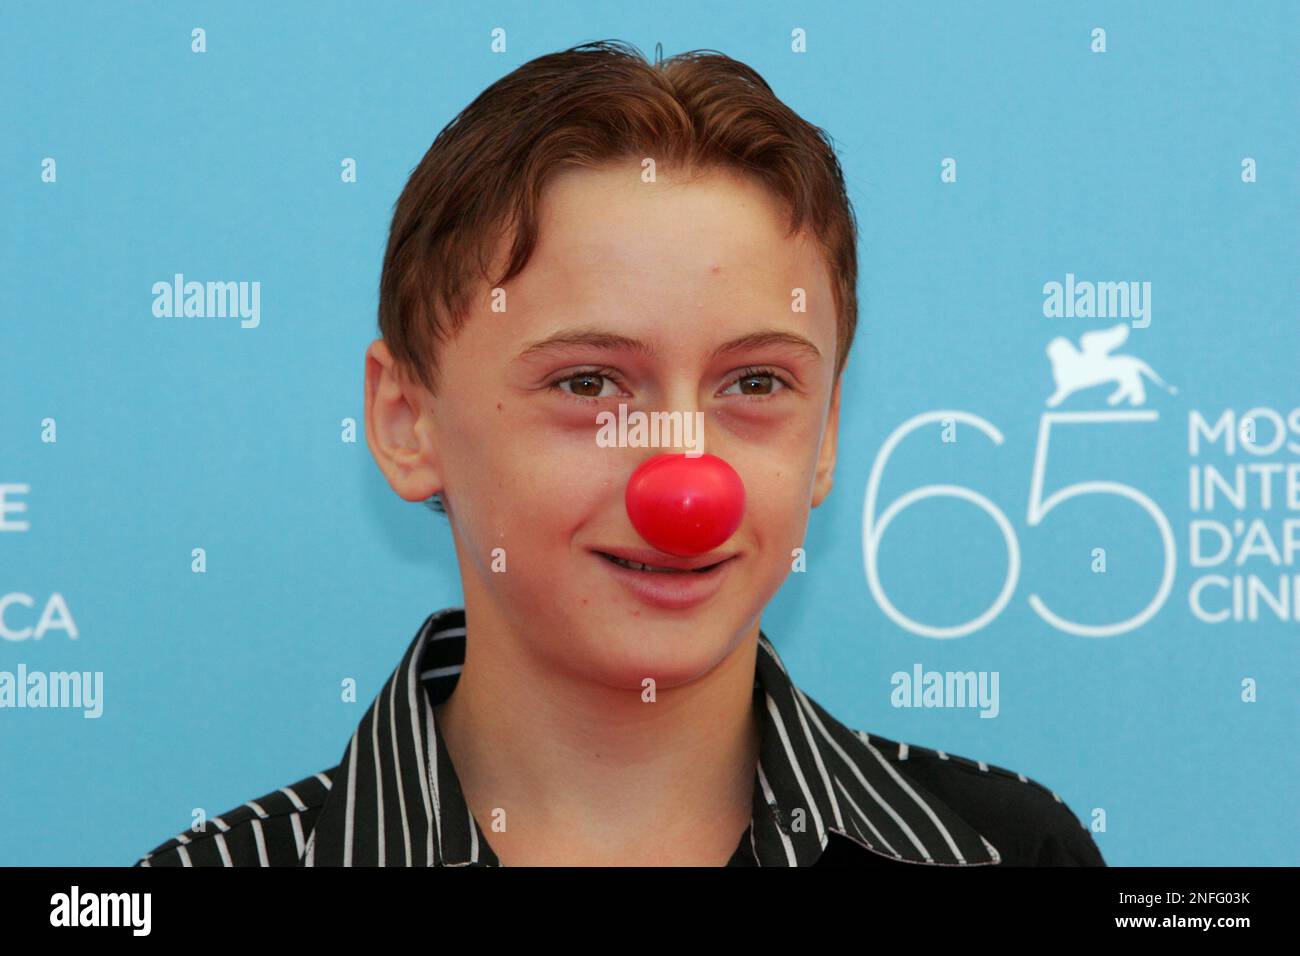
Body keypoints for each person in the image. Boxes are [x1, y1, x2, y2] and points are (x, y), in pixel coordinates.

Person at [134, 40, 1105, 867]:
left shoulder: (1005, 849)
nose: (685, 480)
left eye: (755, 384)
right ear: (404, 419)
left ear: (828, 437)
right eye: (589, 384)